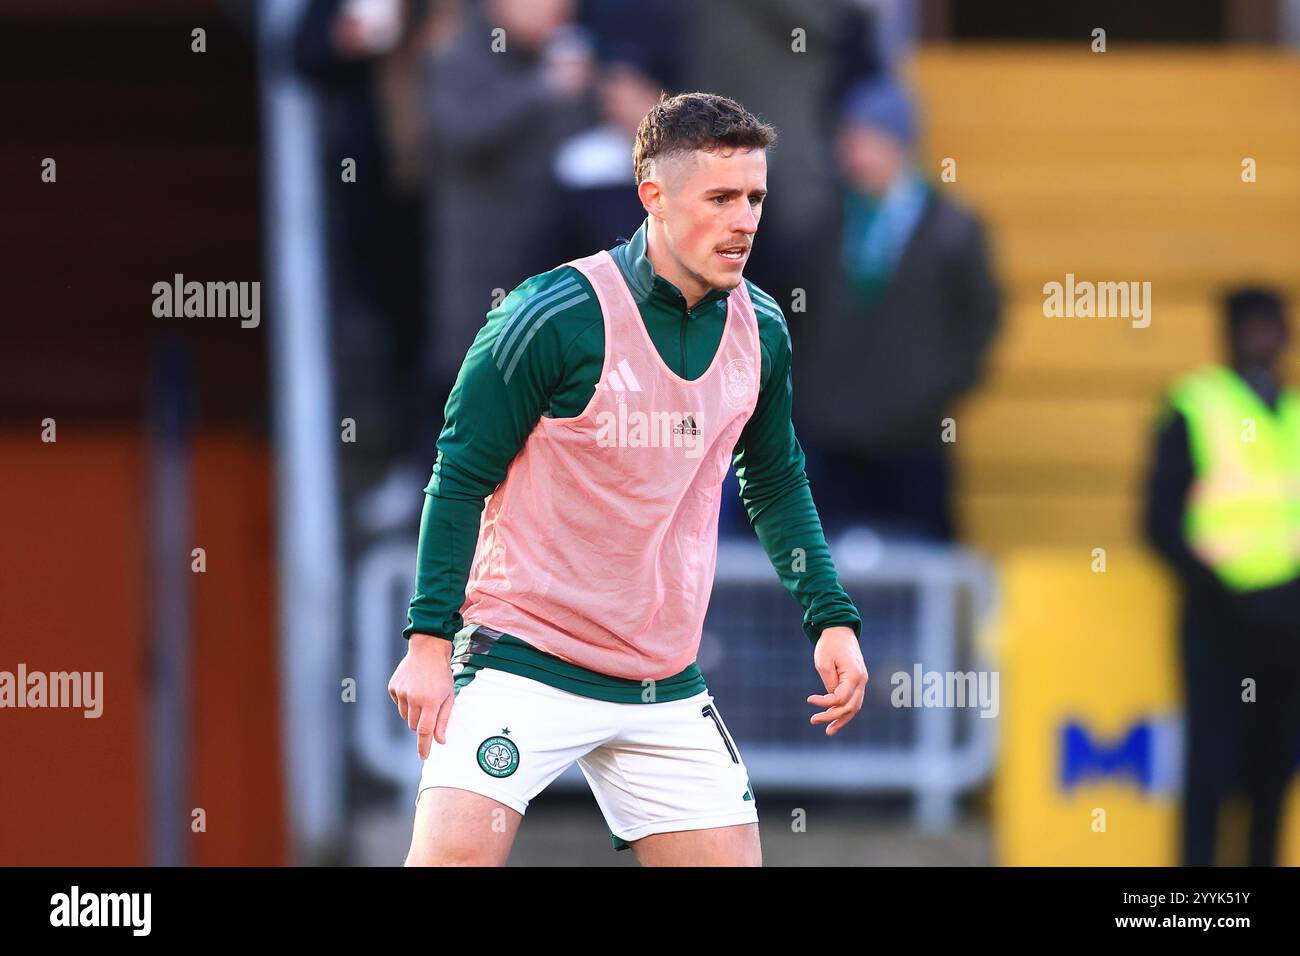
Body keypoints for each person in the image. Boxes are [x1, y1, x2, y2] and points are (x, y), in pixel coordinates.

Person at [389, 92, 868, 866]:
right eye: (721, 197)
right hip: (523, 654)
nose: (745, 219)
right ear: (653, 195)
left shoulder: (762, 328)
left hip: (660, 677)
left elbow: (775, 481)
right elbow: (458, 475)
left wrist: (831, 618)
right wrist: (427, 640)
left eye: (754, 197)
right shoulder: (548, 316)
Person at [792, 77, 1001, 541]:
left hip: (914, 438)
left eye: (860, 140)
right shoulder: (826, 224)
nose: (850, 154)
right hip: (830, 435)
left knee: (919, 558)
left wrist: (932, 391)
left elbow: (981, 319)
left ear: (895, 143)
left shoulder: (953, 230)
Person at [1143, 287, 1300, 866]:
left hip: (1289, 623)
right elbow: (1159, 520)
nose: (1263, 338)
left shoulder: (1295, 413)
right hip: (1218, 621)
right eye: (1251, 324)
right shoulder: (1194, 406)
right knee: (1210, 765)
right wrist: (1215, 585)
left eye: (1272, 324)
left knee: (1277, 770)